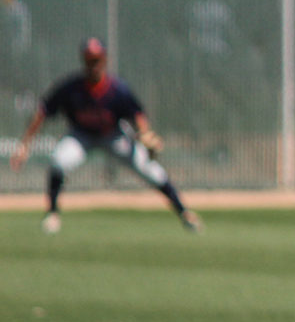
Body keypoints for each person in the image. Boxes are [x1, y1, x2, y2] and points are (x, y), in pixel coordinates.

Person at [10, 37, 202, 233]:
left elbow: (137, 114)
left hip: (113, 135)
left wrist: (145, 133)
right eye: (90, 59)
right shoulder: (71, 88)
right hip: (81, 135)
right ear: (83, 61)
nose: (94, 64)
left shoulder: (118, 89)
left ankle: (183, 211)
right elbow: (42, 112)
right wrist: (24, 146)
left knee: (148, 167)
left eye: (97, 59)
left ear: (105, 60)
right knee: (58, 161)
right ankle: (52, 214)